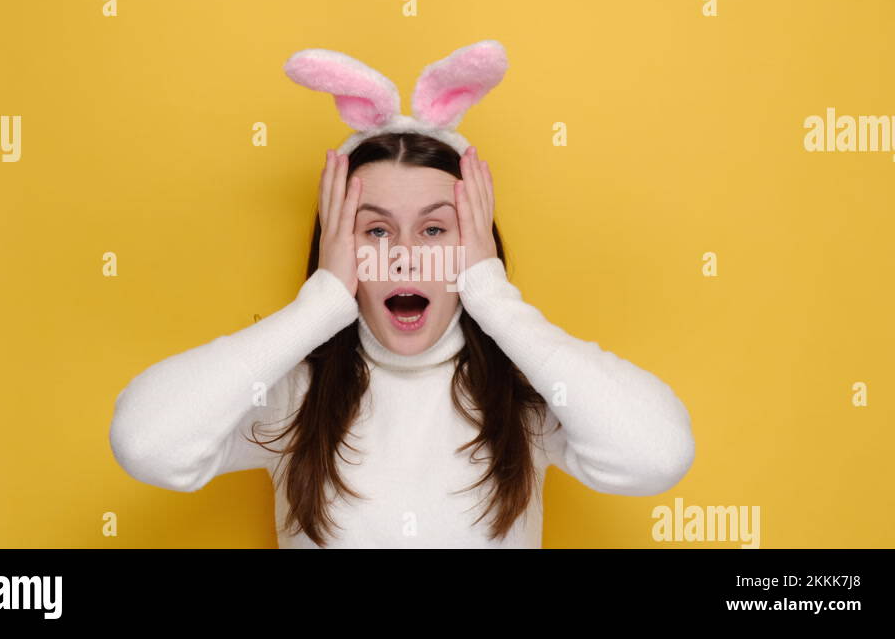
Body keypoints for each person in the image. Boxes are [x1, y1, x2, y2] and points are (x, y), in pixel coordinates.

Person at [108, 131, 696, 548]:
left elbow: (657, 454)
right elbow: (146, 442)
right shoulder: (292, 397)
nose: (405, 257)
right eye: (375, 230)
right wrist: (322, 301)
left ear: (476, 248)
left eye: (436, 229)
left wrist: (493, 298)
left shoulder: (523, 400)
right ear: (338, 248)